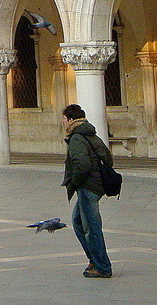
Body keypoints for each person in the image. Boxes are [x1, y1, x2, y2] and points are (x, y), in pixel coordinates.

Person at [62, 103, 113, 278]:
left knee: (91, 227)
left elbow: (81, 165)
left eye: (64, 119)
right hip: (95, 186)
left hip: (87, 187)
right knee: (78, 221)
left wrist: (75, 182)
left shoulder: (77, 138)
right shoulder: (92, 135)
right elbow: (108, 157)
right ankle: (94, 259)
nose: (63, 123)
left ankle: (102, 266)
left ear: (69, 120)